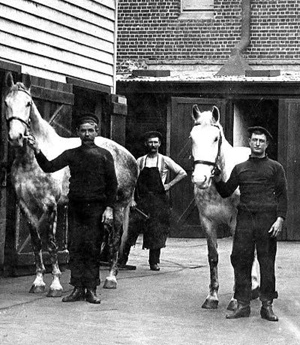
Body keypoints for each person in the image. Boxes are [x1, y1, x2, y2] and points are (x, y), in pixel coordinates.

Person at [28, 114, 117, 305]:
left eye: (90, 130)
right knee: (76, 248)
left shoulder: (105, 155)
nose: (87, 134)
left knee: (92, 248)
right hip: (76, 207)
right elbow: (49, 166)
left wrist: (109, 208)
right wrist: (37, 150)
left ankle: (91, 290)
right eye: (83, 131)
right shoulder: (71, 154)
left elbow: (112, 184)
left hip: (96, 208)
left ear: (96, 132)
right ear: (78, 133)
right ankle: (77, 288)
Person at [214, 126, 286, 321]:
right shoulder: (240, 168)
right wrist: (218, 179)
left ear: (266, 144)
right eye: (254, 140)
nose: (257, 144)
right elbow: (226, 191)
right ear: (249, 142)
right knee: (241, 261)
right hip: (245, 219)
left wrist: (280, 219)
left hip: (267, 220)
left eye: (261, 141)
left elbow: (282, 196)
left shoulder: (275, 168)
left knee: (267, 263)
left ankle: (267, 306)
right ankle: (243, 305)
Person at [119, 131, 187, 271]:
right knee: (131, 228)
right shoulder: (139, 161)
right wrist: (132, 199)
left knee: (157, 230)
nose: (153, 145)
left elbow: (182, 172)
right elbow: (132, 182)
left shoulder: (164, 160)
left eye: (155, 142)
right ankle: (122, 260)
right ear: (146, 144)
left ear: (160, 144)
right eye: (150, 142)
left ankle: (154, 262)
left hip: (159, 200)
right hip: (141, 199)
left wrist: (169, 185)